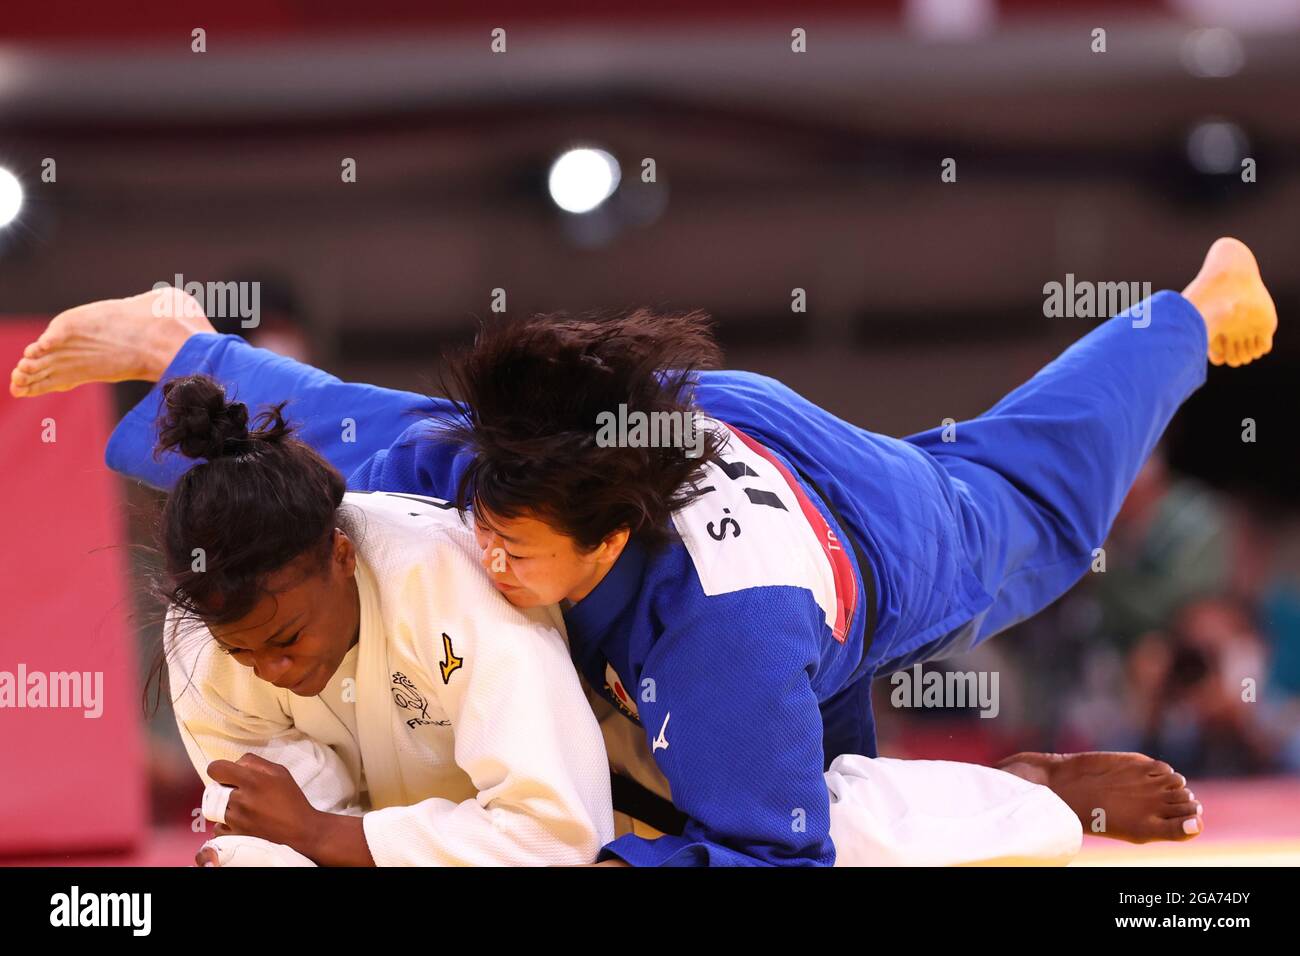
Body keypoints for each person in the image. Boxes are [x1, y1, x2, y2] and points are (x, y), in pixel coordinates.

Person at [12, 237, 1273, 865]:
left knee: (1027, 498)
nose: (483, 561)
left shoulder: (724, 636)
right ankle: (175, 335)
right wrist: (182, 352)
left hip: (866, 529)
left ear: (607, 541)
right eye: (485, 533)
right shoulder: (493, 473)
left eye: (518, 553)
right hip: (684, 422)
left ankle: (1192, 310)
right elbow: (354, 420)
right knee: (407, 451)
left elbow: (769, 858)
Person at [147, 373, 614, 866]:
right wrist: (303, 838)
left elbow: (558, 838)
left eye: (287, 639)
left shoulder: (452, 589)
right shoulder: (199, 645)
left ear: (342, 556)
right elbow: (280, 832)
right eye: (239, 650)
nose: (270, 670)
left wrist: (321, 833)